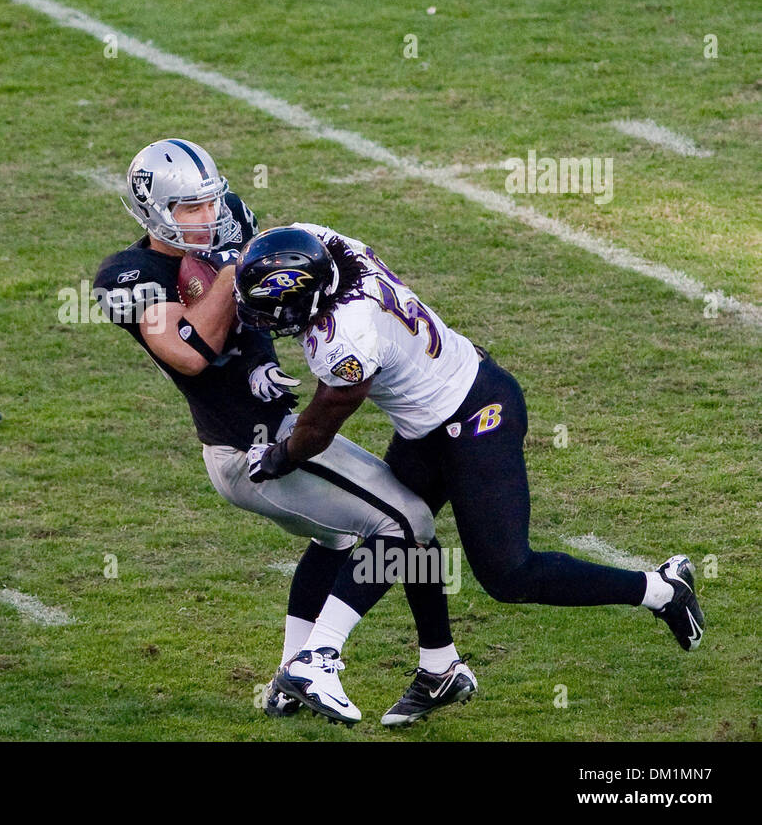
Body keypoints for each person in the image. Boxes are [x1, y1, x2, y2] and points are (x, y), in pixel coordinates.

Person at [234, 224, 707, 705]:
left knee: (508, 574)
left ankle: (659, 590)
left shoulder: (344, 338)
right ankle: (435, 668)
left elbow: (318, 428)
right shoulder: (326, 244)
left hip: (478, 418)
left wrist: (277, 457)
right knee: (403, 528)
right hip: (432, 420)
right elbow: (273, 244)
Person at [94, 139, 475, 726]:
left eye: (210, 203)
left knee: (338, 540)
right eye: (189, 209)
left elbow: (281, 288)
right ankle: (318, 663)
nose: (208, 217)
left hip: (278, 427)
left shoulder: (233, 217)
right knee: (407, 522)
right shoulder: (129, 276)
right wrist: (229, 265)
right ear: (150, 209)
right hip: (243, 449)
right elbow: (191, 352)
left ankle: (301, 677)